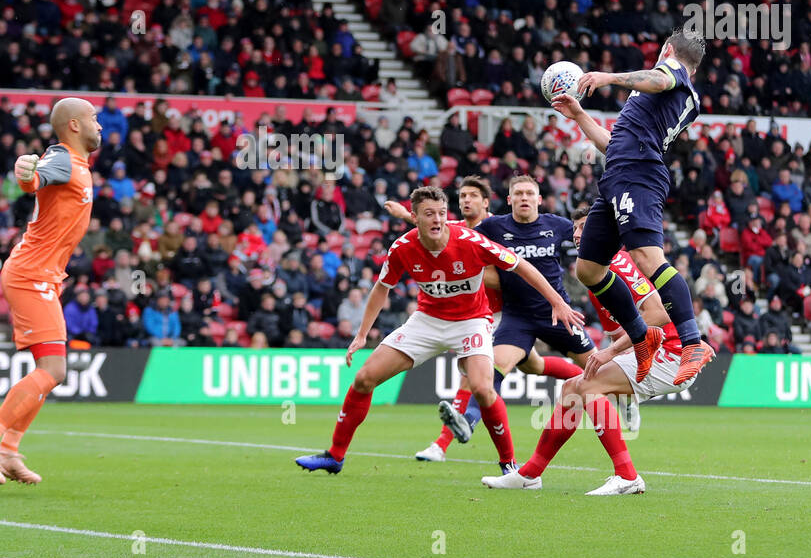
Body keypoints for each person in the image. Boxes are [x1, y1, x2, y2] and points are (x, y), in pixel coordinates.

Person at [294, 185, 585, 477]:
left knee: (484, 389)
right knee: (364, 378)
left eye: (442, 214)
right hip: (427, 321)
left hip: (472, 321)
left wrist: (557, 301)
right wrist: (361, 334)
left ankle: (509, 464)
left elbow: (522, 266)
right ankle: (335, 456)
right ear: (415, 217)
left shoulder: (471, 241)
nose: (437, 220)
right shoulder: (403, 247)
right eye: (429, 214)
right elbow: (382, 288)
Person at [483, 211, 696, 495]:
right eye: (575, 229)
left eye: (586, 227)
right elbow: (625, 327)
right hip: (647, 350)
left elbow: (658, 313)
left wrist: (610, 353)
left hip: (669, 353)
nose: (577, 234)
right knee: (573, 387)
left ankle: (627, 475)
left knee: (589, 387)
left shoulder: (619, 260)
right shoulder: (595, 269)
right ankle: (530, 474)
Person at [387, 174, 590, 463]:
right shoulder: (486, 228)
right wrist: (409, 216)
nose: (465, 201)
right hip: (508, 316)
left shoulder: (542, 225)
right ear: (509, 199)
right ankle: (456, 431)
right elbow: (437, 227)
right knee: (494, 371)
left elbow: (586, 236)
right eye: (462, 197)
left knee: (542, 366)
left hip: (536, 312)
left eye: (472, 196)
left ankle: (616, 395)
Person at [552, 26, 713, 388]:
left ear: (668, 51)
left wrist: (608, 77)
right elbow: (613, 144)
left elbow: (657, 79)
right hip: (620, 173)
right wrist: (579, 116)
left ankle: (692, 343)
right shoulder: (670, 94)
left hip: (637, 175)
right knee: (589, 270)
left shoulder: (670, 74)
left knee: (647, 258)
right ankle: (642, 337)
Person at [0, 97, 101, 485]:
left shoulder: (77, 165)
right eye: (93, 118)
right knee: (54, 369)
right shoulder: (61, 159)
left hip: (43, 275)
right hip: (31, 275)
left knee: (50, 369)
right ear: (73, 125)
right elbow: (33, 178)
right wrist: (25, 173)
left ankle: (8, 450)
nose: (99, 125)